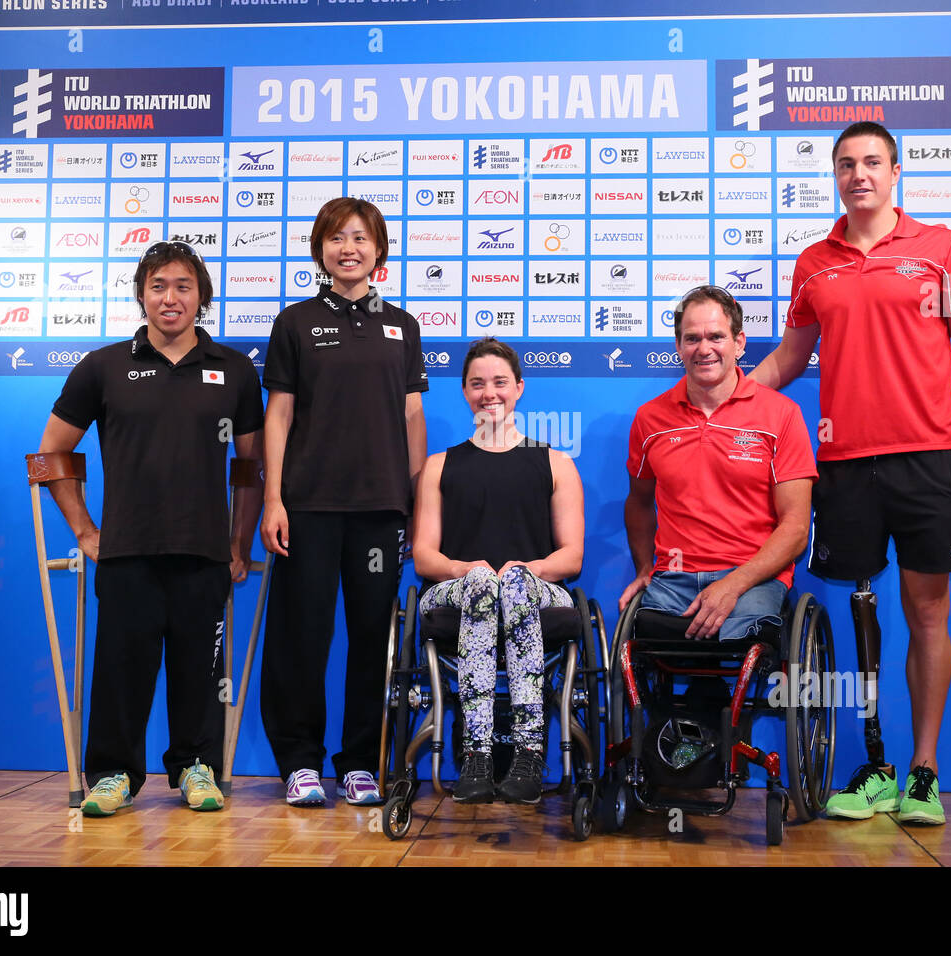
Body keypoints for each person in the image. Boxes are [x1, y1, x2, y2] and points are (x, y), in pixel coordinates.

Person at [750, 121, 951, 825]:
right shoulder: (814, 261)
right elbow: (790, 359)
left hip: (927, 458)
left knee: (927, 612)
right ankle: (874, 764)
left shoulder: (941, 249)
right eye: (844, 164)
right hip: (845, 465)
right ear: (834, 175)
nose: (857, 174)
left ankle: (923, 771)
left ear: (895, 171)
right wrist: (730, 396)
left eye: (870, 162)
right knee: (860, 615)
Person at [37, 240, 264, 816]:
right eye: (159, 285)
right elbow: (51, 455)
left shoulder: (234, 370)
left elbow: (250, 468)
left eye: (183, 286)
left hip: (204, 552)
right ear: (141, 294)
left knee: (201, 672)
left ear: (202, 297)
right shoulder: (103, 366)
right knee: (120, 671)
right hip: (127, 551)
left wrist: (239, 543)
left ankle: (196, 768)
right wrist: (86, 531)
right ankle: (112, 775)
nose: (171, 297)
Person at [260, 197, 428, 807]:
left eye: (360, 237)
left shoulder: (402, 326)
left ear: (378, 251)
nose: (348, 248)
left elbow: (412, 415)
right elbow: (278, 414)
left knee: (371, 636)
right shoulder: (296, 322)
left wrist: (416, 501)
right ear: (320, 250)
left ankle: (359, 761)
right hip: (308, 505)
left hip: (381, 509)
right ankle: (300, 763)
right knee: (302, 636)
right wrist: (273, 497)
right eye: (335, 238)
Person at [411, 338, 584, 804]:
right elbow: (424, 556)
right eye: (477, 383)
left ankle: (529, 752)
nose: (490, 393)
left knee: (509, 580)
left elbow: (572, 557)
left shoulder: (556, 463)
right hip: (455, 591)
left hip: (538, 591)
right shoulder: (438, 466)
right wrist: (464, 569)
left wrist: (528, 570)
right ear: (465, 392)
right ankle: (477, 755)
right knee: (486, 581)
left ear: (520, 388)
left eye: (500, 382)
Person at [619, 285, 817, 646]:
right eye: (691, 338)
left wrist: (732, 584)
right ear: (678, 346)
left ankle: (716, 698)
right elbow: (638, 501)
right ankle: (703, 698)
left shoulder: (782, 415)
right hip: (674, 578)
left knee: (739, 637)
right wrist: (645, 568)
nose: (704, 348)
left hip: (754, 579)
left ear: (739, 343)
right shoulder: (650, 419)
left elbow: (796, 527)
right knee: (640, 635)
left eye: (716, 336)